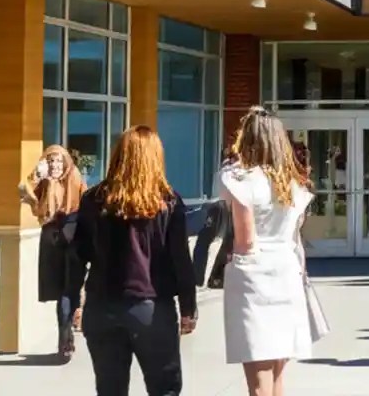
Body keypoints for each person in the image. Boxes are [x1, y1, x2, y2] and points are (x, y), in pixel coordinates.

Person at [70, 126, 196, 395]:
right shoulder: (168, 201)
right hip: (152, 306)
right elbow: (180, 259)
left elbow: (78, 255)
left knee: (109, 388)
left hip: (102, 306)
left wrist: (72, 301)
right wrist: (188, 306)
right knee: (165, 388)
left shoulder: (94, 199)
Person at [221, 107, 314, 396]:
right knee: (277, 374)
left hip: (254, 277)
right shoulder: (294, 183)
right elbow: (295, 236)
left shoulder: (242, 180)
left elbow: (246, 240)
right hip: (287, 270)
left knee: (258, 376)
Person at [18, 144, 87, 360]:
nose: (55, 165)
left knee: (70, 288)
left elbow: (86, 207)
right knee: (61, 290)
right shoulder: (45, 182)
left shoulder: (74, 177)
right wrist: (37, 175)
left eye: (58, 161)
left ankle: (66, 337)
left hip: (73, 235)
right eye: (50, 161)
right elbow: (23, 191)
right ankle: (65, 339)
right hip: (52, 237)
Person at [193, 148, 238, 290]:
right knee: (222, 242)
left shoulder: (222, 171)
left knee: (206, 241)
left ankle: (202, 276)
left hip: (216, 204)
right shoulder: (231, 172)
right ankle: (214, 276)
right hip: (222, 205)